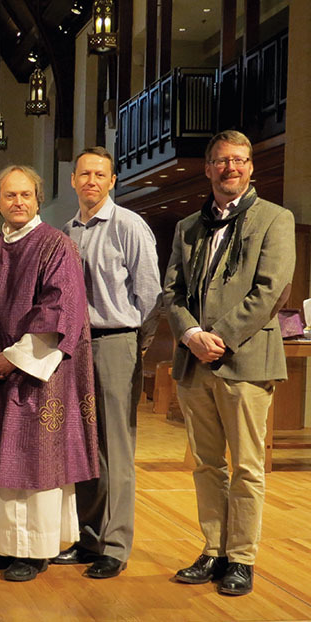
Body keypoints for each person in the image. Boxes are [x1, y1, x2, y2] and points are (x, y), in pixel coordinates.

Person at [164, 130, 295, 596]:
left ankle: (241, 558)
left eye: (239, 160)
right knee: (206, 464)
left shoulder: (276, 219)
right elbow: (172, 292)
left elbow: (270, 291)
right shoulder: (187, 227)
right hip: (195, 362)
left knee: (246, 466)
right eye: (221, 161)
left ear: (251, 167)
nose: (230, 168)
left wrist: (218, 336)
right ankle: (213, 548)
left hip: (246, 361)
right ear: (208, 168)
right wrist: (190, 333)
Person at [0, 165, 99, 582]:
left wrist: (15, 356)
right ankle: (9, 546)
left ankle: (36, 550)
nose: (18, 202)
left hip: (39, 371)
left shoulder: (55, 246)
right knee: (4, 459)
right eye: (9, 196)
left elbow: (59, 309)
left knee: (36, 459)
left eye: (26, 195)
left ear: (37, 198)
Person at [56, 146, 162, 579]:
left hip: (117, 341)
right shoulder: (67, 231)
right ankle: (88, 538)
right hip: (77, 348)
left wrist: (136, 345)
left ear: (112, 180)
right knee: (85, 447)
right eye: (84, 174)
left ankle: (115, 546)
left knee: (116, 450)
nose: (91, 181)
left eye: (100, 174)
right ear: (74, 181)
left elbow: (152, 296)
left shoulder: (128, 226)